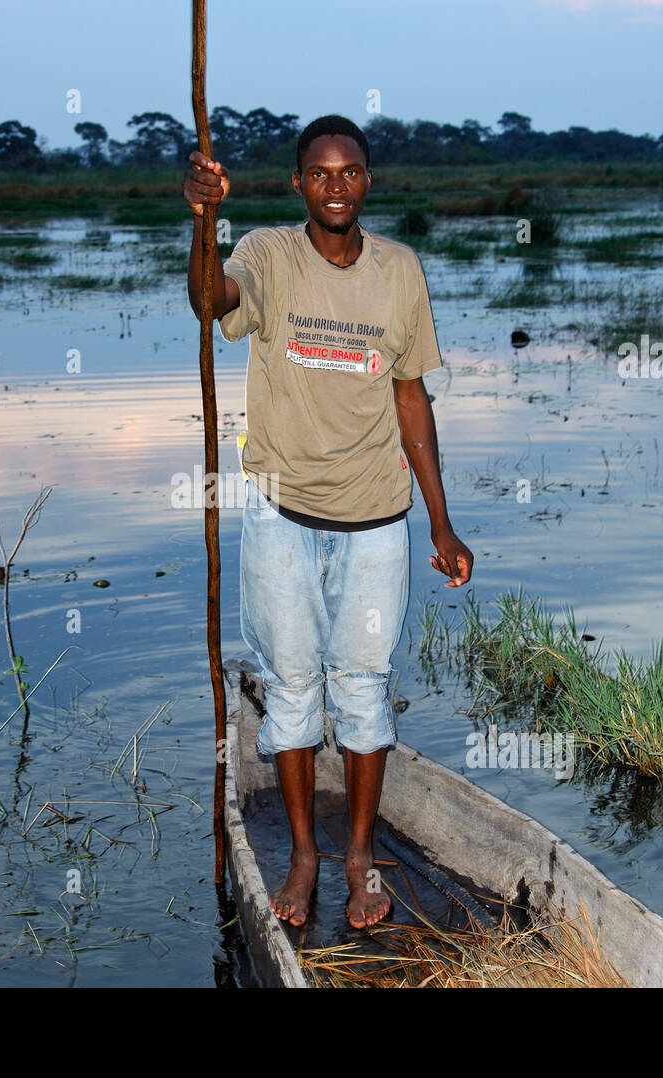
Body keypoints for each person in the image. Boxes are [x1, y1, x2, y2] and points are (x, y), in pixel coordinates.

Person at [184, 115, 473, 930]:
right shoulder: (269, 255)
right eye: (320, 173)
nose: (336, 185)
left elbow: (412, 396)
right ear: (299, 184)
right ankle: (305, 857)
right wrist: (203, 220)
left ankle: (357, 859)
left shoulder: (399, 271)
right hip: (280, 515)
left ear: (368, 182)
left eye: (350, 172)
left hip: (379, 520)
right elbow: (212, 301)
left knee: (365, 692)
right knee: (291, 693)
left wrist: (442, 526)